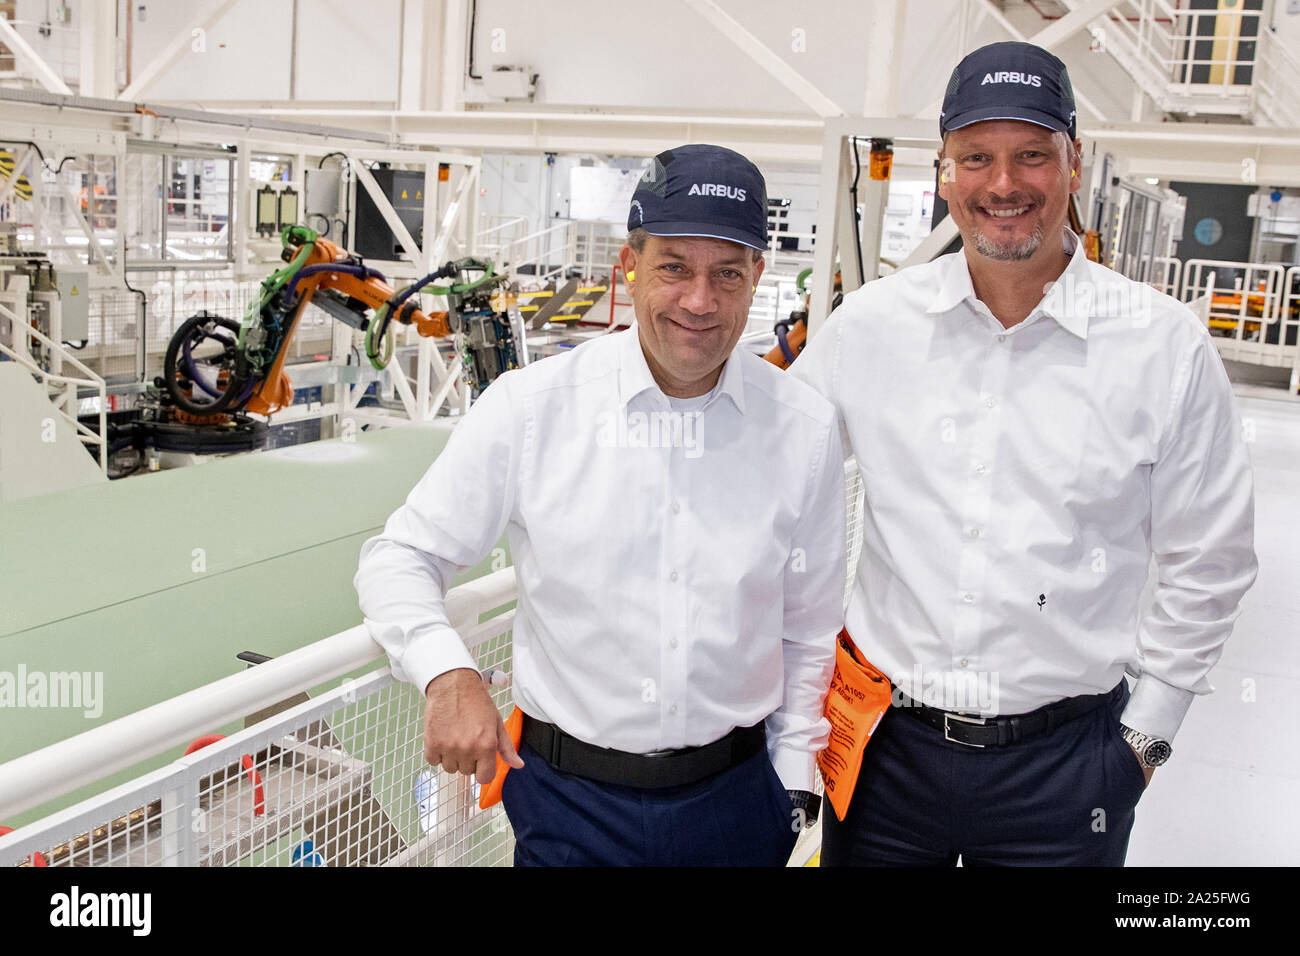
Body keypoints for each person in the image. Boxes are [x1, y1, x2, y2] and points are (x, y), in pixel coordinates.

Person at [791, 41, 1257, 866]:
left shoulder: (1162, 348)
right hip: (884, 756)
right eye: (977, 157)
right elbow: (770, 480)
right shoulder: (871, 329)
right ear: (945, 173)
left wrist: (1143, 744)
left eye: (1031, 155)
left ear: (1073, 165)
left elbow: (1209, 560)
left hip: (1070, 770)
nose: (1003, 185)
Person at [354, 144, 846, 866]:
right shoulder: (531, 411)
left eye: (727, 274)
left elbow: (808, 627)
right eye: (674, 267)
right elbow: (400, 558)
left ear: (756, 281)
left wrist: (793, 778)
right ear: (630, 267)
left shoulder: (802, 428)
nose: (700, 300)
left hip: (739, 805)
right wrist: (447, 670)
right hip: (569, 806)